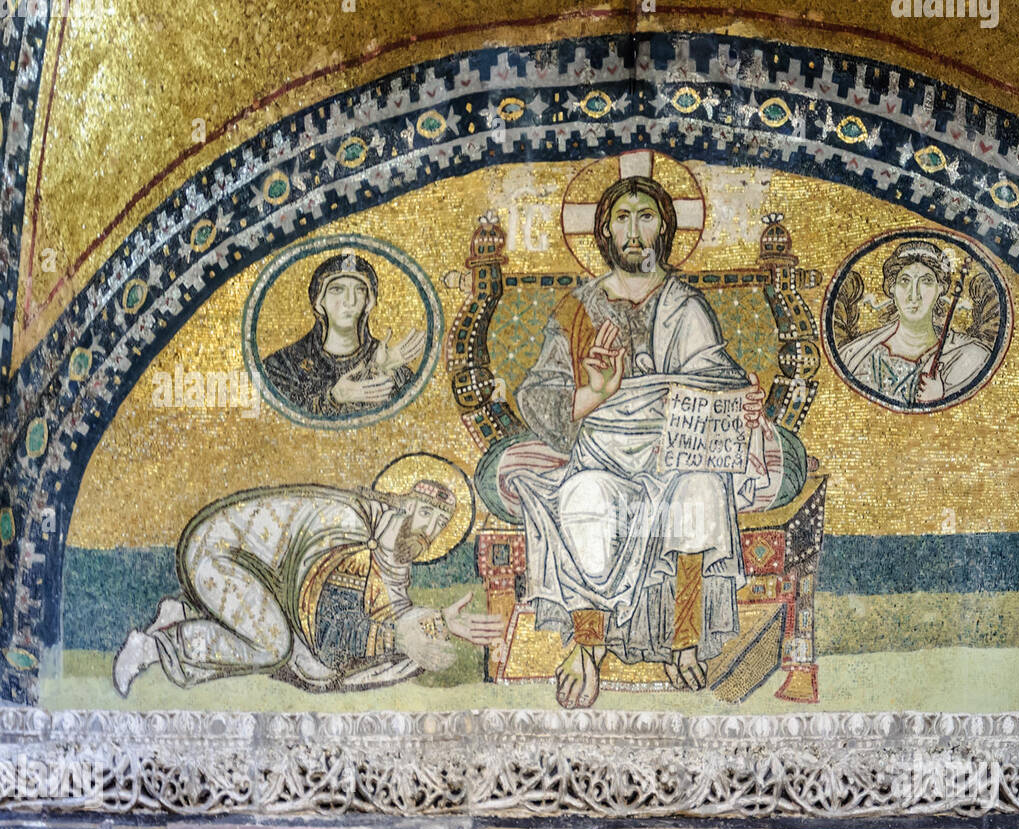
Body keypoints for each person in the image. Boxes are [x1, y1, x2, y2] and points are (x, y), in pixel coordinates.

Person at [496, 175, 794, 709]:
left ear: (664, 227)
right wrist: (592, 393)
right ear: (606, 231)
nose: (635, 231)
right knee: (586, 496)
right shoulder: (578, 308)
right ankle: (586, 645)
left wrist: (746, 405)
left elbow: (718, 385)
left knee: (701, 487)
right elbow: (540, 398)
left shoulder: (686, 306)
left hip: (674, 452)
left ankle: (684, 641)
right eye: (623, 218)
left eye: (646, 216)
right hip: (602, 452)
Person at [112, 478, 503, 696]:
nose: (432, 531)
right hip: (216, 557)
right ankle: (154, 645)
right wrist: (399, 641)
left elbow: (392, 612)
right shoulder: (351, 529)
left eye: (441, 523)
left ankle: (183, 614)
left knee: (325, 661)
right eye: (427, 515)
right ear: (404, 505)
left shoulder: (389, 549)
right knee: (275, 647)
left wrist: (438, 622)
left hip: (261, 579)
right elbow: (332, 632)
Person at [262, 251, 423, 419]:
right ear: (319, 302)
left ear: (368, 302)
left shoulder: (390, 364)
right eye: (337, 290)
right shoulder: (284, 366)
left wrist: (384, 371)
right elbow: (276, 419)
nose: (350, 301)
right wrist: (334, 398)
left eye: (359, 290)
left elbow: (410, 420)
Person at [837, 239, 990, 406]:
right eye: (904, 281)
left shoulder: (969, 356)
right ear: (892, 289)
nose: (914, 294)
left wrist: (940, 398)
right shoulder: (856, 355)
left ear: (940, 289)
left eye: (926, 281)